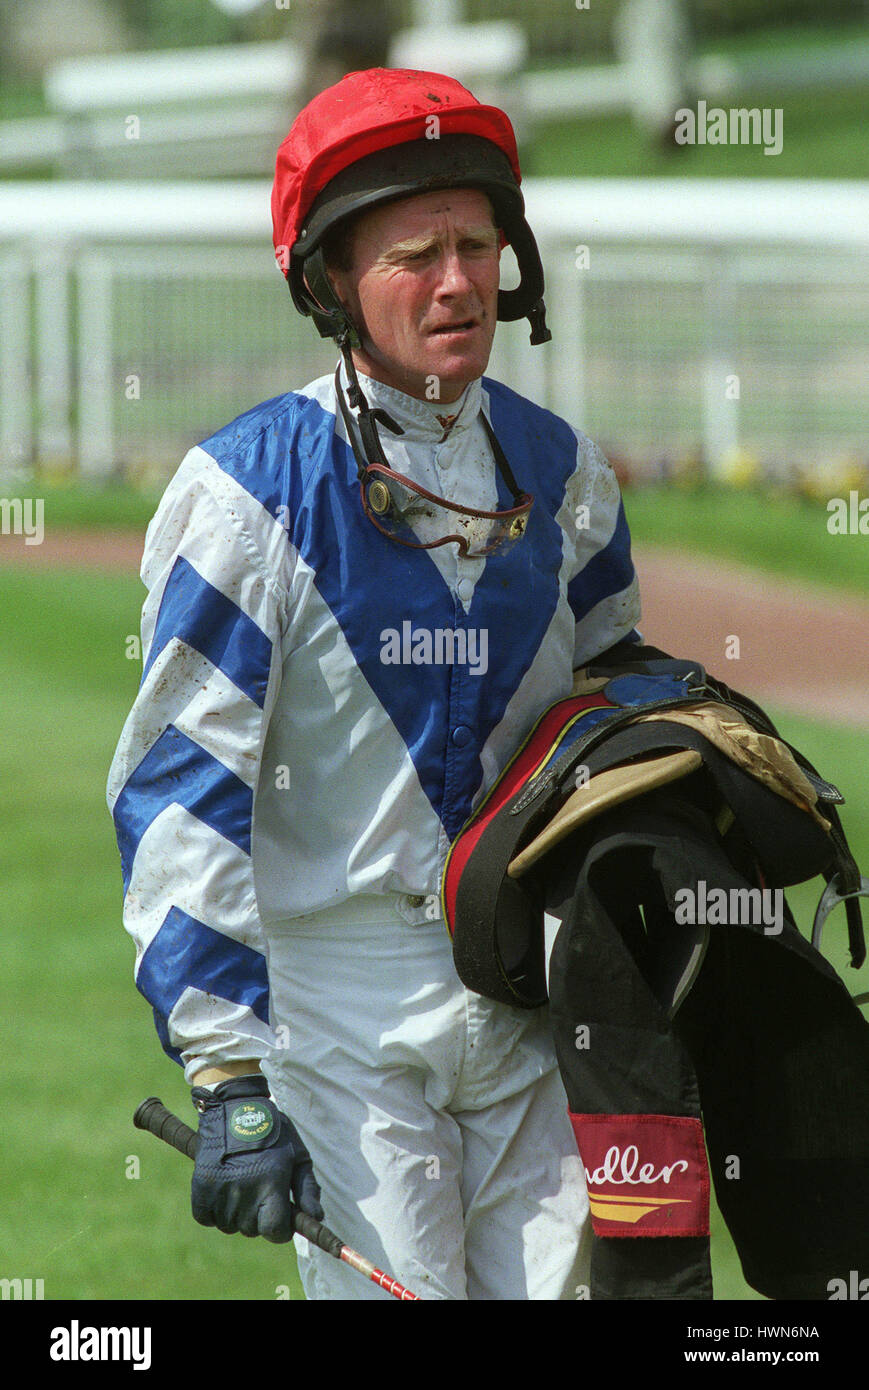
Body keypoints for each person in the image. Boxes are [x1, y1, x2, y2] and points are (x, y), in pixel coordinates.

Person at [107, 67, 642, 1300]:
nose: (458, 282)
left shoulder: (566, 481)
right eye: (416, 254)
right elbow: (179, 793)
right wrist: (229, 1077)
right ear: (331, 283)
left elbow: (614, 734)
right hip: (336, 1007)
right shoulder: (242, 496)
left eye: (476, 244)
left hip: (523, 991)